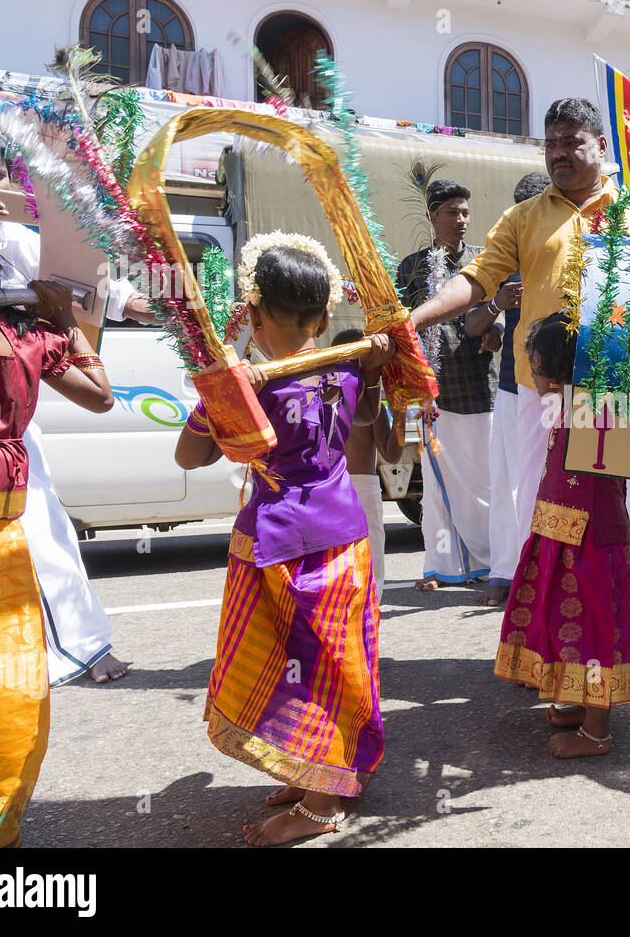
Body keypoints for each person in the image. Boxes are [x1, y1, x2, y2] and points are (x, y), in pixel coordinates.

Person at [407, 98, 630, 673]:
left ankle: (616, 645)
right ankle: (546, 650)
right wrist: (417, 318)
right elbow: (478, 280)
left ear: (600, 146)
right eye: (550, 143)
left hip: (610, 390)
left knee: (604, 523)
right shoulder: (523, 218)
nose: (559, 153)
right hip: (536, 397)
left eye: (572, 141)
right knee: (541, 521)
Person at [175, 236, 395, 845]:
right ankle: (313, 772)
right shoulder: (345, 368)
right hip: (342, 538)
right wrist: (370, 371)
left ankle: (324, 804)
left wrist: (216, 394)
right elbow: (377, 435)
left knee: (297, 666)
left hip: (281, 542)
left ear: (250, 311)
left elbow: (188, 456)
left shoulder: (252, 383)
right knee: (329, 663)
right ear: (324, 318)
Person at [0, 127, 146, 686]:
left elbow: (94, 288)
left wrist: (145, 303)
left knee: (41, 533)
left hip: (2, 431)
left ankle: (81, 647)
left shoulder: (24, 243)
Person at [0, 199, 114, 846]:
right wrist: (66, 319)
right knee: (5, 687)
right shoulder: (21, 335)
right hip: (4, 539)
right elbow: (101, 395)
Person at [494, 313, 630, 757]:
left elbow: (616, 476)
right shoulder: (575, 402)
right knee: (568, 625)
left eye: (535, 362)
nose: (531, 371)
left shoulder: (602, 405)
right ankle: (580, 703)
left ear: (558, 367)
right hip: (562, 534)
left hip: (592, 542)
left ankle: (597, 733)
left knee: (595, 627)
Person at [396, 180, 496, 591]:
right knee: (435, 487)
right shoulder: (411, 267)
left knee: (483, 481)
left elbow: (506, 305)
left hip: (481, 386)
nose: (461, 221)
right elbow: (403, 326)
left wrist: (499, 329)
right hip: (430, 392)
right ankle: (441, 566)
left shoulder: (484, 260)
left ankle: (490, 560)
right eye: (452, 213)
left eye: (466, 213)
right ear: (432, 217)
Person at [477, 171, 548, 607]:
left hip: (555, 385)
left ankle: (539, 568)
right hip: (511, 383)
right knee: (507, 481)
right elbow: (485, 315)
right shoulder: (509, 256)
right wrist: (498, 319)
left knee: (544, 481)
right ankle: (506, 570)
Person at [334, 328, 405, 607]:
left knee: (341, 561)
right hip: (361, 488)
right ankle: (367, 622)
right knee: (370, 559)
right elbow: (390, 454)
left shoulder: (326, 392)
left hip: (332, 486)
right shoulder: (368, 399)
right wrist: (400, 413)